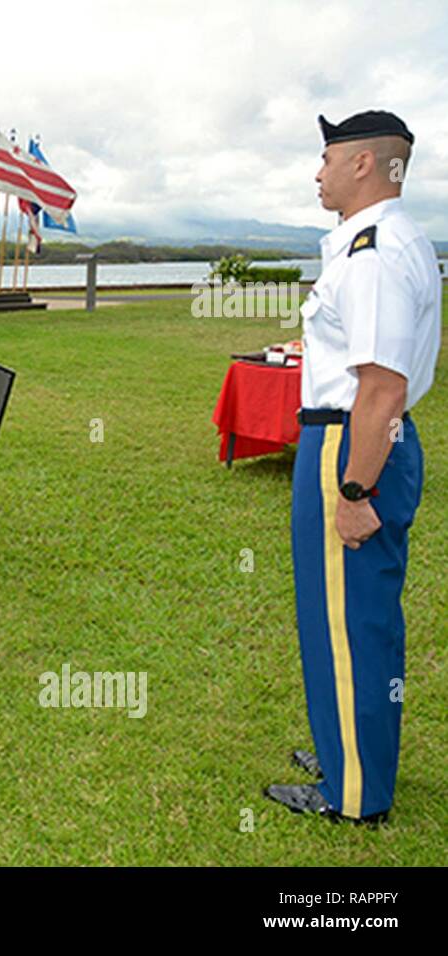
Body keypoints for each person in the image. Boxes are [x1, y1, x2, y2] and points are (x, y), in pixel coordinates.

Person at [264, 110, 440, 824]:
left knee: (350, 619)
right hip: (354, 434)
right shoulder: (395, 239)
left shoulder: (373, 251)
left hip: (353, 442)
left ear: (364, 163)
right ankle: (346, 744)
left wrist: (354, 490)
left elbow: (382, 387)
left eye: (327, 157)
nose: (318, 171)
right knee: (345, 614)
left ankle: (355, 792)